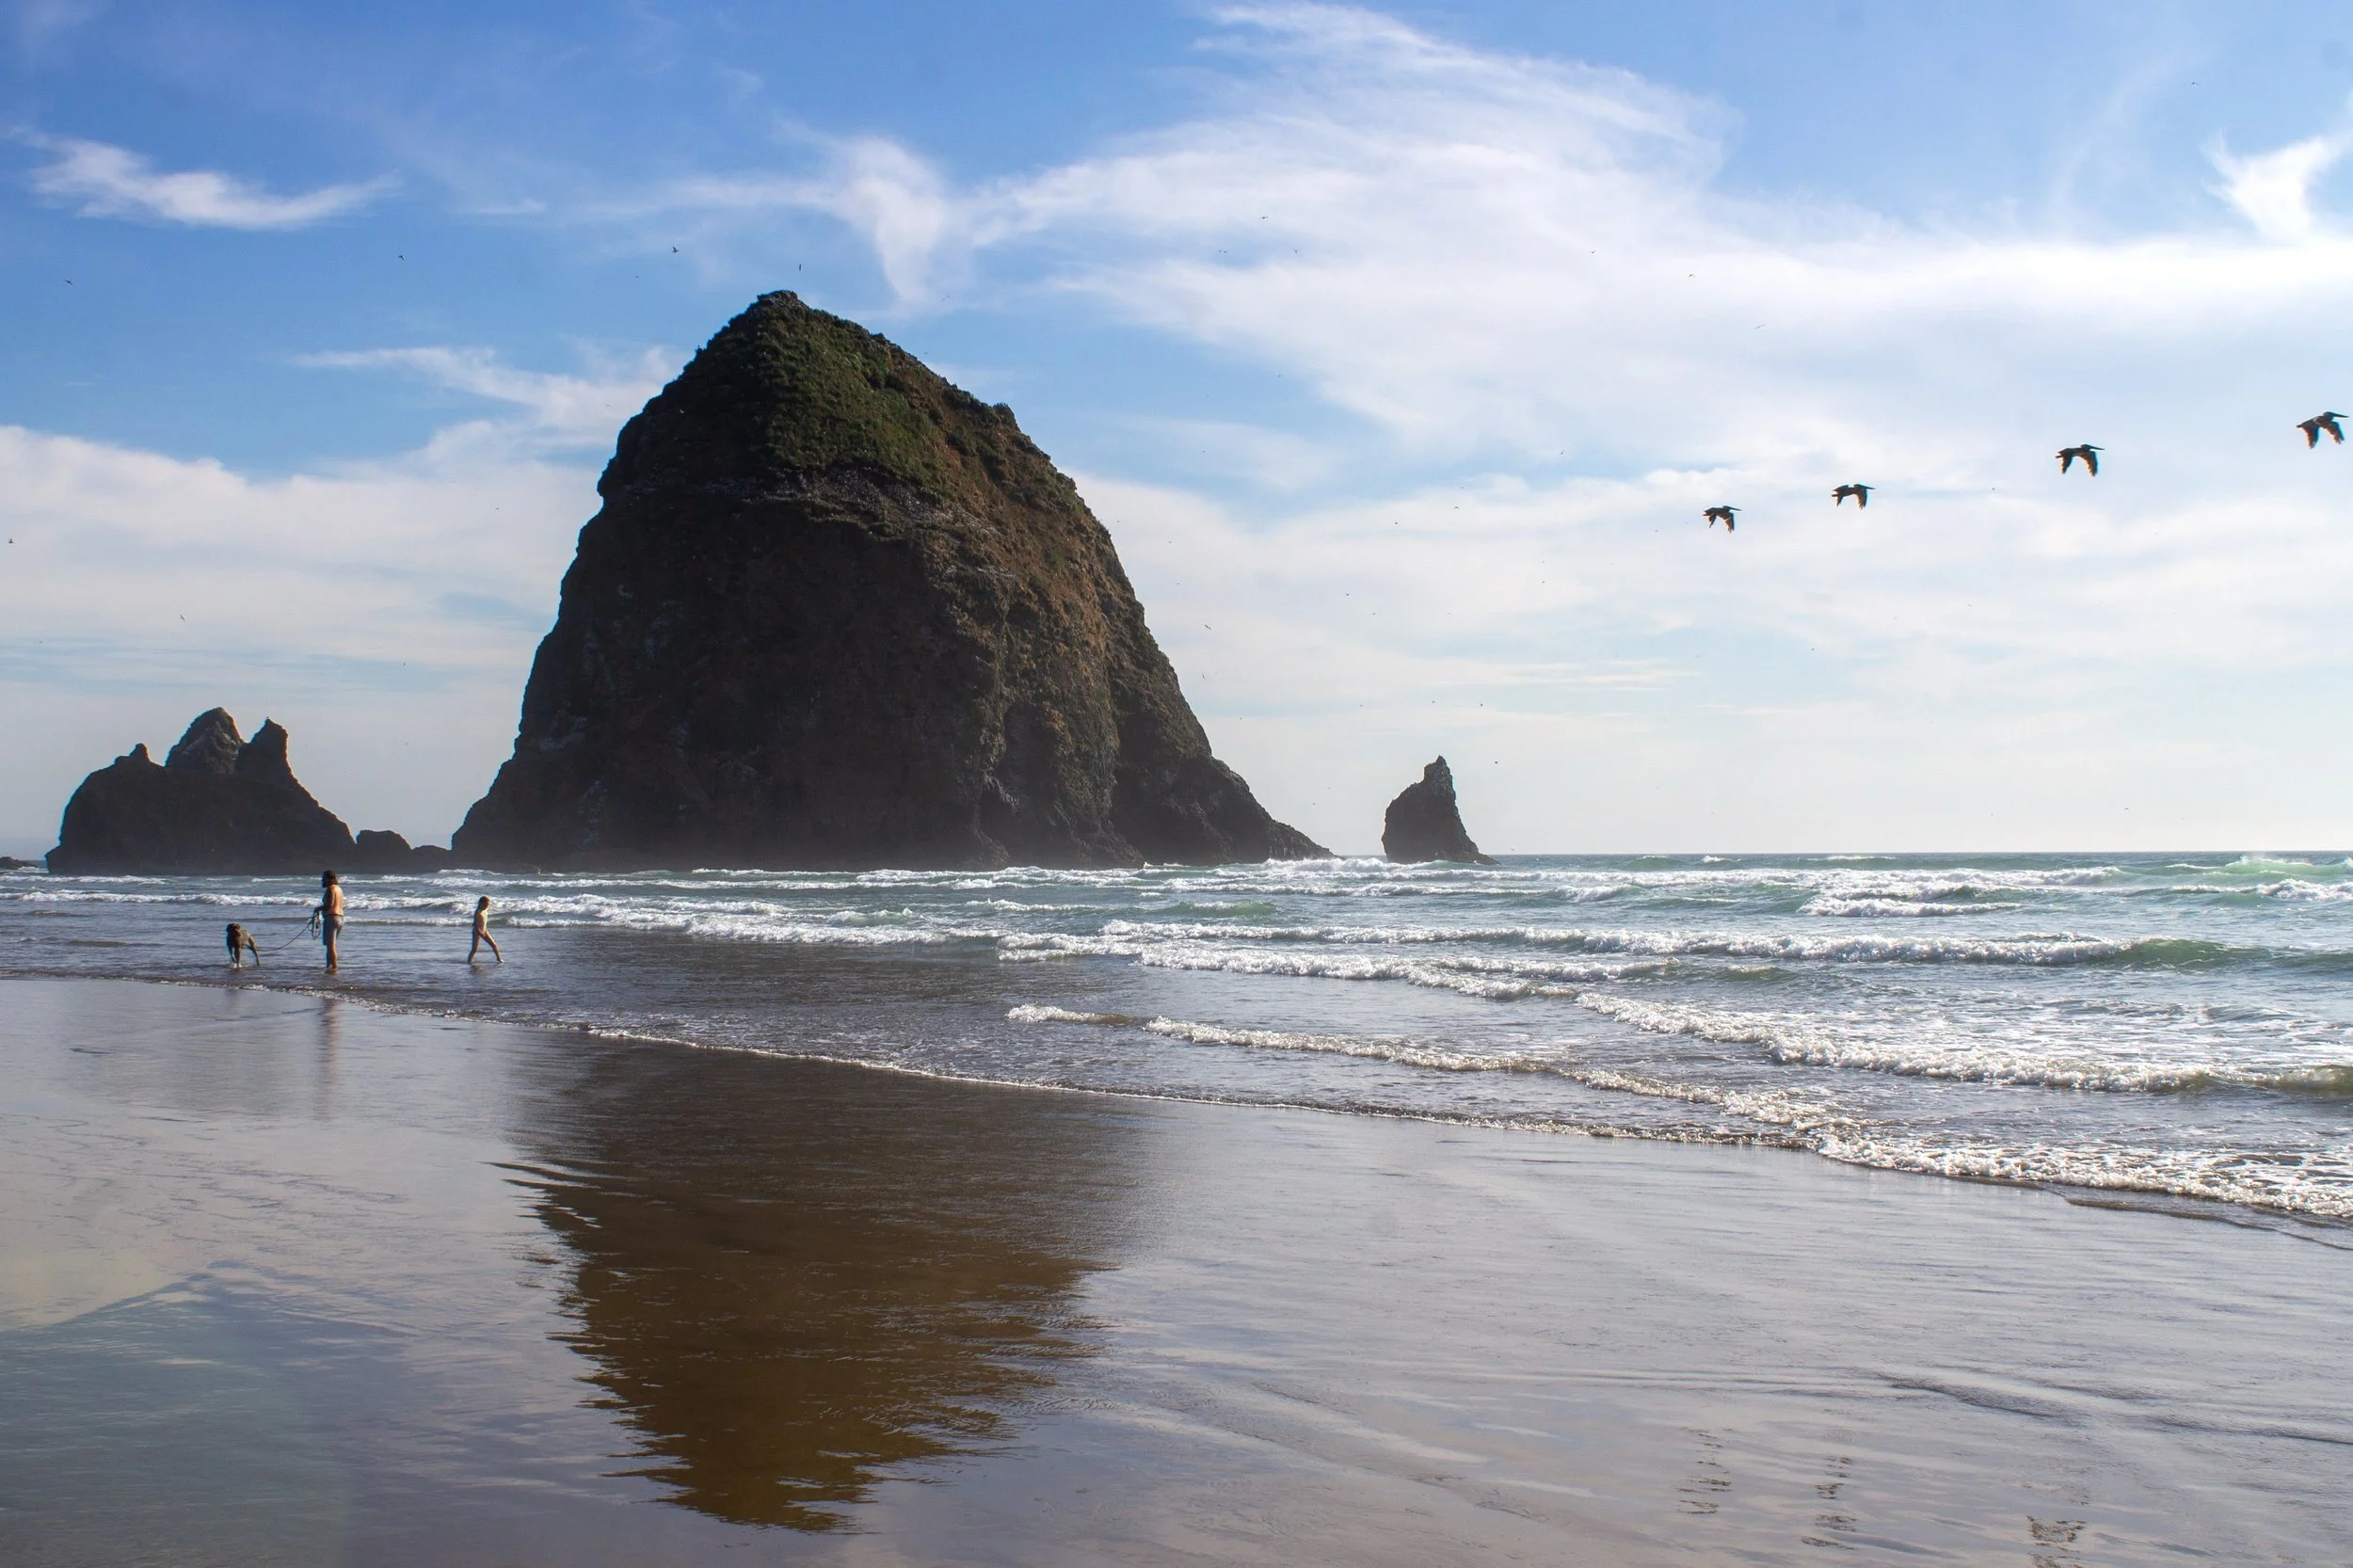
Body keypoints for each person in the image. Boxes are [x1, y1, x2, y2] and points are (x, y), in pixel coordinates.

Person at [310, 870, 345, 973]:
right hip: (340, 918)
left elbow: (329, 905)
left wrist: (318, 909)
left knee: (331, 946)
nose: (322, 880)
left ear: (329, 879)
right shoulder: (339, 889)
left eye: (323, 878)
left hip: (331, 918)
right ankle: (328, 966)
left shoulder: (330, 889)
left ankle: (334, 967)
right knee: (330, 945)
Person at [468, 895, 503, 964]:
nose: (487, 907)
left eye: (488, 905)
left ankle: (499, 959)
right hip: (477, 932)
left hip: (484, 931)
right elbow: (476, 924)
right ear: (481, 903)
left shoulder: (485, 910)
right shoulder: (477, 912)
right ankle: (469, 961)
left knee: (494, 945)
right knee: (474, 949)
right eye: (486, 905)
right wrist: (479, 932)